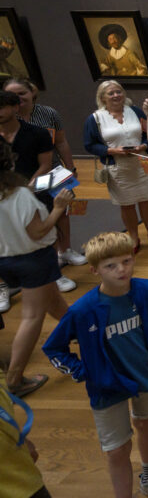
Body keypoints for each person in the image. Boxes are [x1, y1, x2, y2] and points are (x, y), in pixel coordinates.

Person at [42, 232, 148, 498]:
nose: (122, 269)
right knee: (117, 449)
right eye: (111, 266)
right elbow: (53, 348)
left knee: (146, 422)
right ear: (94, 270)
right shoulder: (83, 310)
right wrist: (85, 372)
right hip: (106, 389)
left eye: (127, 261)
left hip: (146, 376)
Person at [0, 138, 73, 397]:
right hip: (33, 259)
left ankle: (79, 330)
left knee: (52, 299)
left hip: (7, 260)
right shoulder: (19, 195)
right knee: (32, 317)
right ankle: (15, 380)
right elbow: (38, 231)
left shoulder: (16, 195)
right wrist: (58, 208)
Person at [4, 78, 85, 270]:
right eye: (12, 95)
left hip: (53, 173)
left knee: (62, 211)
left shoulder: (48, 113)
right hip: (20, 178)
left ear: (31, 92)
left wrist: (70, 168)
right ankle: (52, 258)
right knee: (38, 215)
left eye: (22, 93)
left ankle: (65, 250)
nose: (18, 98)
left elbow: (61, 142)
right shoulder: (6, 121)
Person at [82, 81, 148, 251]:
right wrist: (111, 150)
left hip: (141, 162)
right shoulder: (95, 118)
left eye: (119, 92)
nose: (116, 95)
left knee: (146, 199)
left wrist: (144, 146)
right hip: (117, 166)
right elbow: (90, 144)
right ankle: (132, 236)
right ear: (102, 97)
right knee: (127, 203)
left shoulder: (136, 111)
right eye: (111, 93)